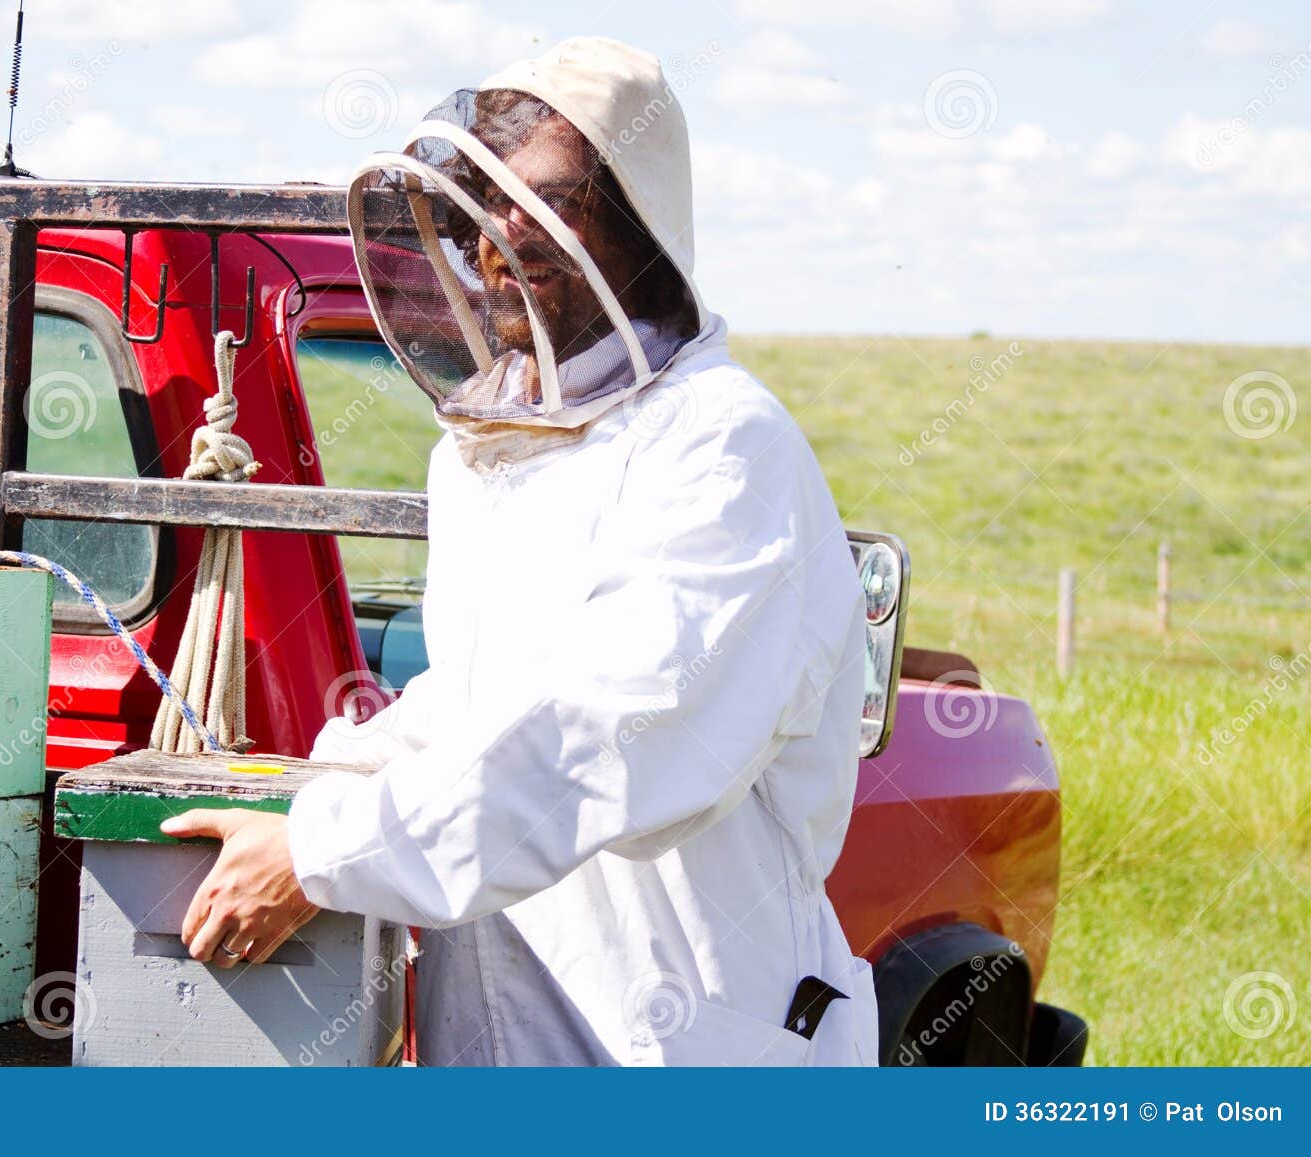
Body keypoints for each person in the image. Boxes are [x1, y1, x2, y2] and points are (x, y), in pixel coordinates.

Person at [161, 35, 876, 1067]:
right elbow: (478, 698)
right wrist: (317, 781)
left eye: (554, 200)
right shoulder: (489, 454)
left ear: (639, 225)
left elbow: (614, 727)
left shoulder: (722, 442)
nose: (507, 233)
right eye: (484, 201)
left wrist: (322, 852)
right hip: (503, 1020)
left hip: (683, 1026)